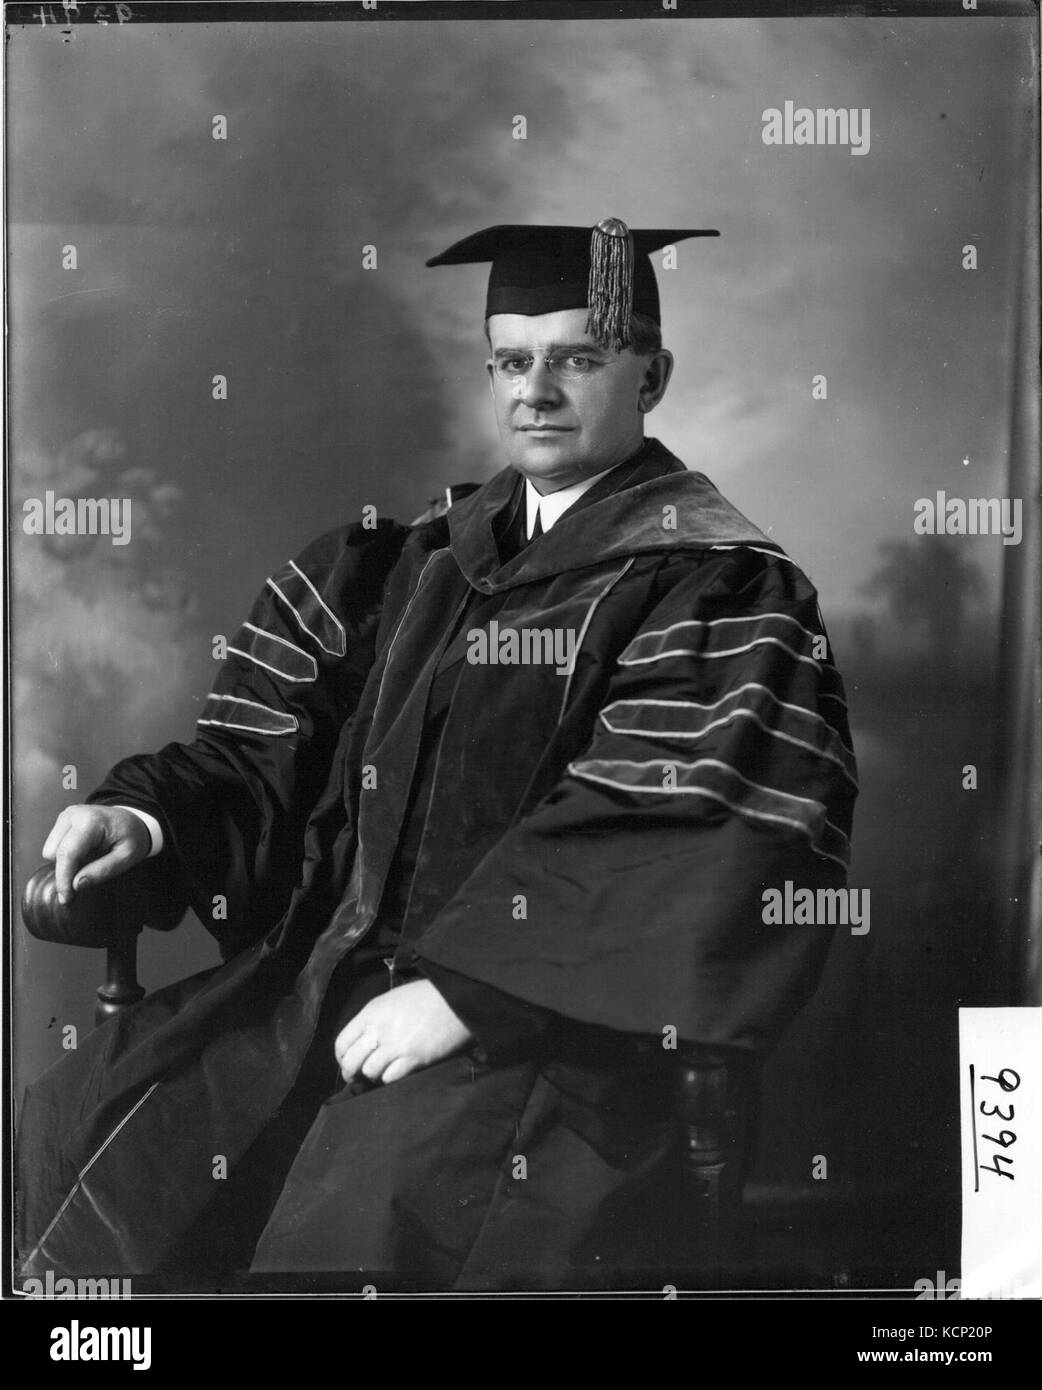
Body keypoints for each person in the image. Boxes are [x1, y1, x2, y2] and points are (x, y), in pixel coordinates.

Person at [17, 218, 857, 1291]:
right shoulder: (417, 562)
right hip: (327, 987)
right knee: (82, 1129)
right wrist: (148, 816)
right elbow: (274, 756)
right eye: (512, 359)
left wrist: (468, 995)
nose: (536, 390)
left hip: (552, 1037)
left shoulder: (716, 585)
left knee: (350, 1231)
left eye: (577, 358)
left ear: (651, 375)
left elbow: (690, 833)